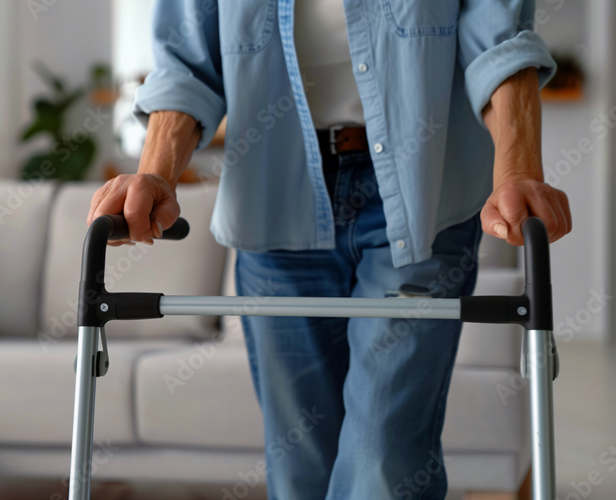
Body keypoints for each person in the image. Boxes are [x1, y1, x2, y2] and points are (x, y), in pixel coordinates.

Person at [88, 1, 571, 498]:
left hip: (421, 188)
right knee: (301, 466)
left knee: (384, 457)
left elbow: (499, 43)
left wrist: (517, 171)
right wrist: (154, 174)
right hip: (275, 193)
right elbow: (188, 63)